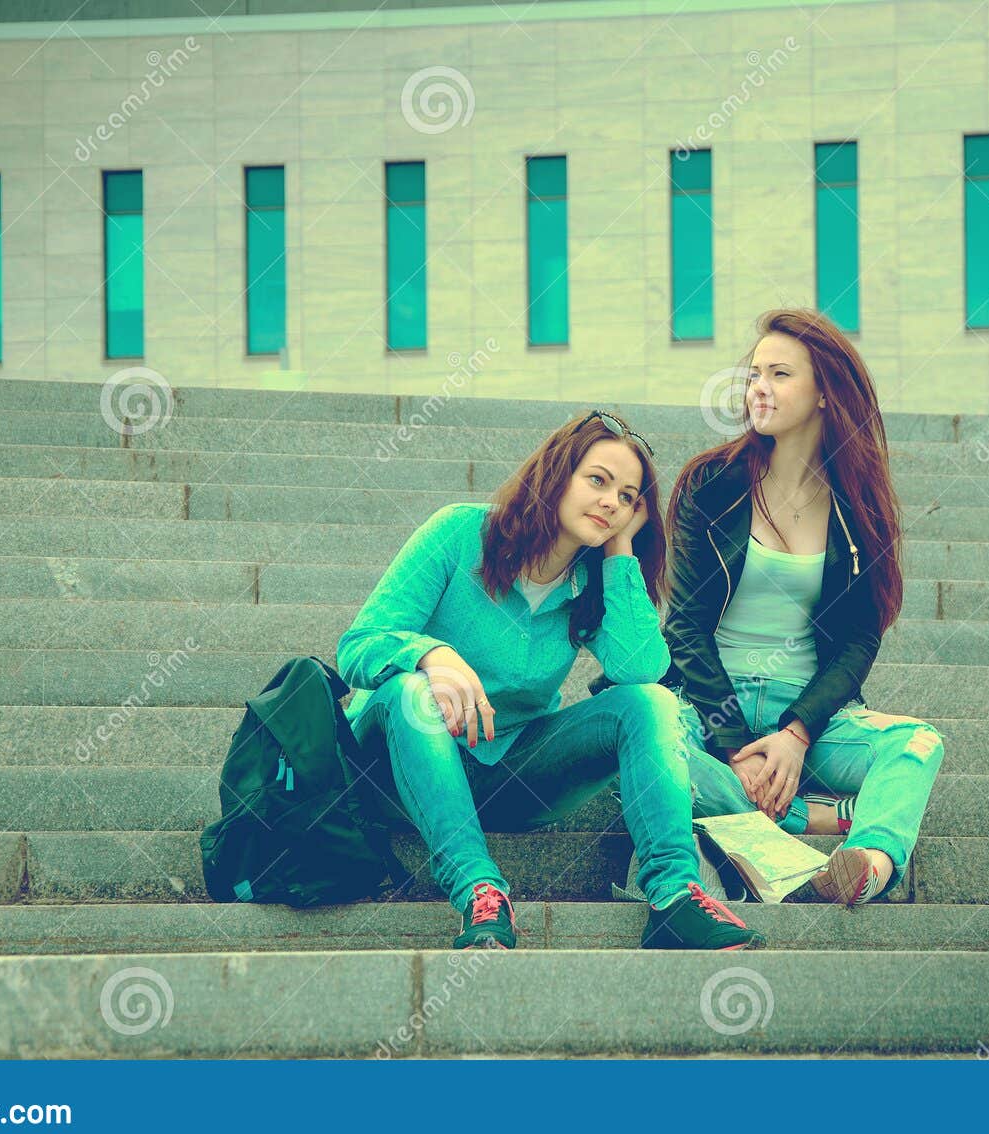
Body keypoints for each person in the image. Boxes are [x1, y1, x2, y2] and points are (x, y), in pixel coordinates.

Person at [337, 410, 765, 951]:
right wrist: (432, 656)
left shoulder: (589, 580)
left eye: (627, 497)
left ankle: (674, 896)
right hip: (398, 768)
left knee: (650, 703)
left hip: (510, 775)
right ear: (556, 475)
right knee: (410, 691)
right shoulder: (460, 533)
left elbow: (640, 668)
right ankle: (479, 892)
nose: (611, 502)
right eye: (597, 480)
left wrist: (619, 552)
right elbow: (358, 646)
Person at [665, 308, 945, 906]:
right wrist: (733, 747)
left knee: (916, 743)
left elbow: (860, 639)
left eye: (780, 374)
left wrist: (795, 734)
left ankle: (870, 864)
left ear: (824, 393)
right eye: (754, 374)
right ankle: (807, 819)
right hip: (708, 706)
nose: (758, 388)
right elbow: (684, 627)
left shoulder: (858, 504)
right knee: (652, 747)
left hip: (808, 714)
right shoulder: (711, 485)